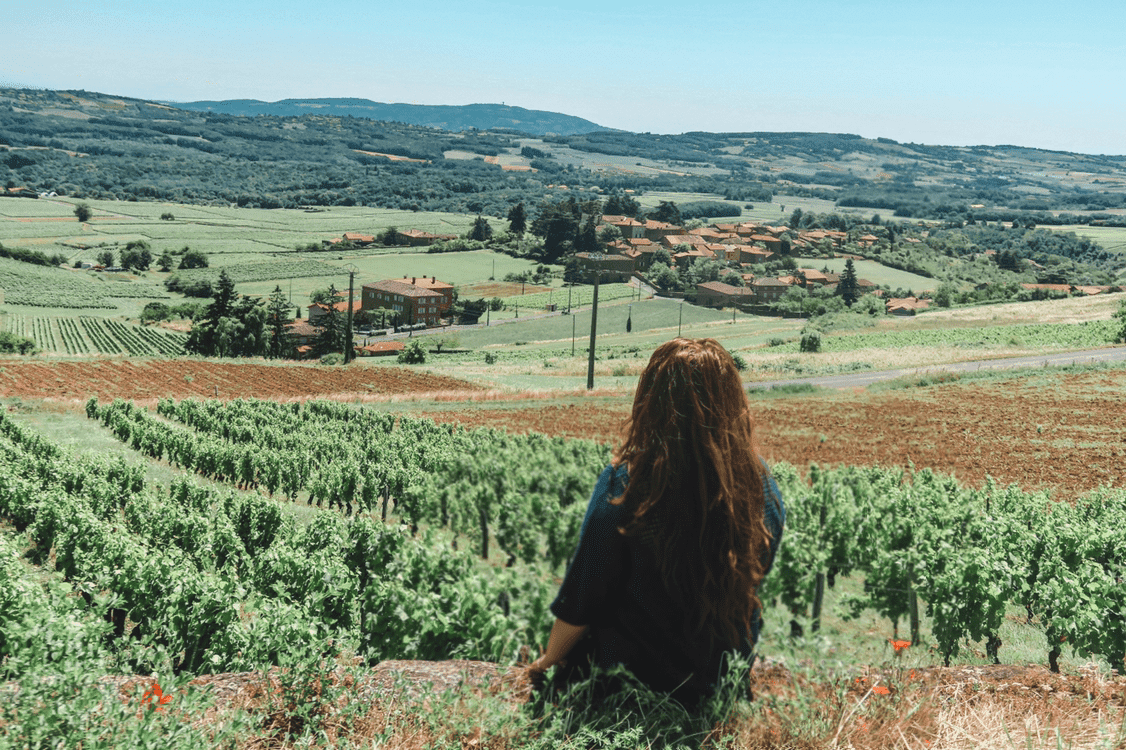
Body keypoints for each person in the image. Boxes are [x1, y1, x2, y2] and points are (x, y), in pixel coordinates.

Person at [529, 338, 785, 704]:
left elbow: (585, 594)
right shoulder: (759, 485)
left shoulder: (628, 484)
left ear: (651, 401)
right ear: (732, 402)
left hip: (632, 683)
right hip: (720, 683)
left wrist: (548, 659)